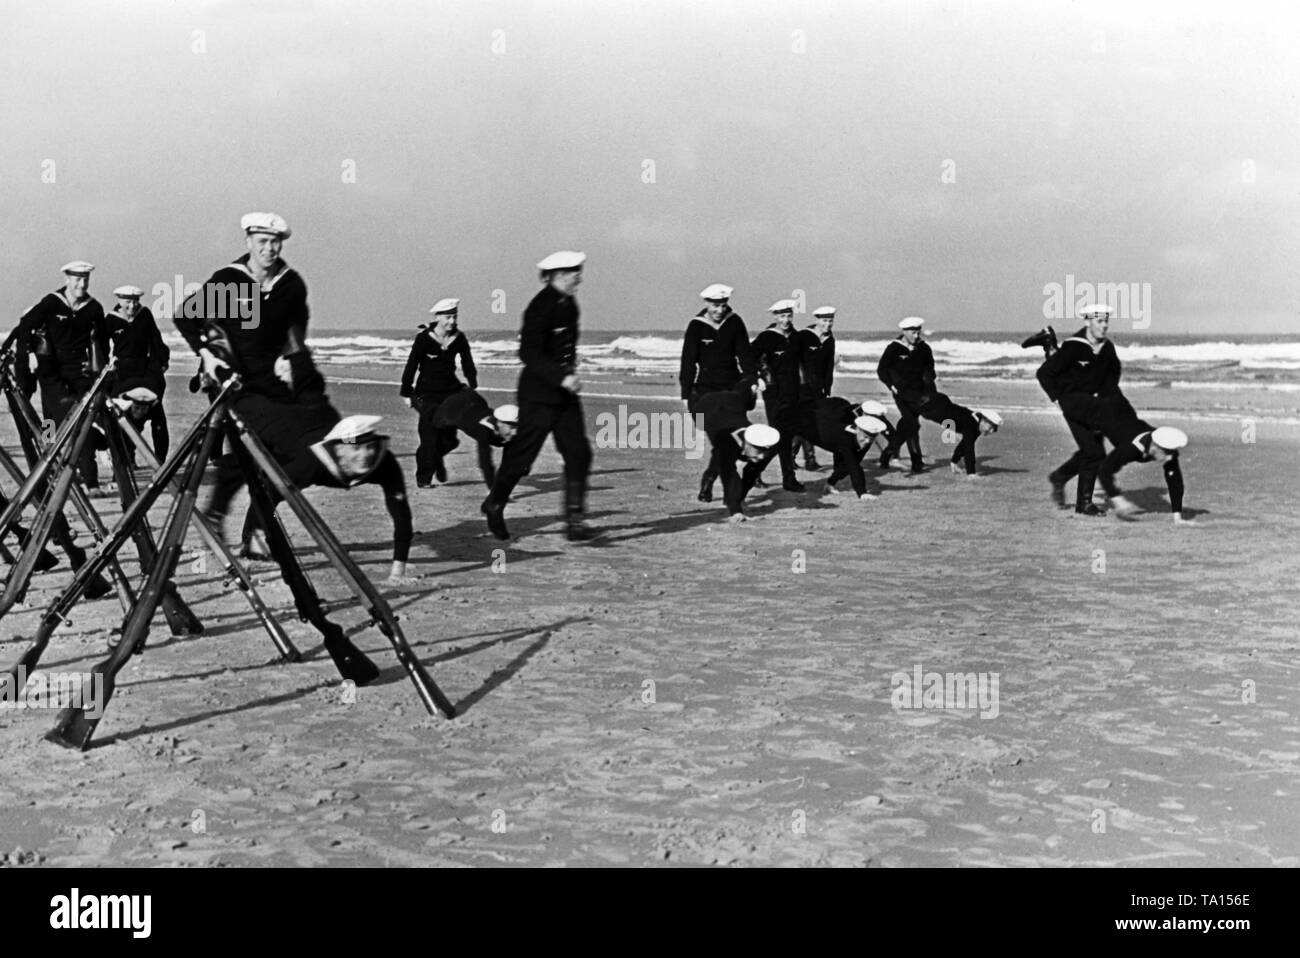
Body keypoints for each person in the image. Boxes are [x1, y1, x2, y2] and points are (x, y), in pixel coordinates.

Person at [203, 347, 418, 584]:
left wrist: (398, 571)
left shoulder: (384, 462)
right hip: (278, 428)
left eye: (369, 447)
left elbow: (402, 516)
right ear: (340, 450)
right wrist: (254, 546)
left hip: (312, 417)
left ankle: (273, 363)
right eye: (356, 449)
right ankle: (215, 364)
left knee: (296, 388)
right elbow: (265, 493)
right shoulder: (313, 463)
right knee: (243, 402)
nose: (365, 456)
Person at [174, 211, 311, 553]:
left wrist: (291, 362)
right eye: (262, 242)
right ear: (248, 241)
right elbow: (186, 316)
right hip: (231, 382)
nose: (269, 249)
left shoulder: (289, 284)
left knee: (274, 455)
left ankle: (242, 525)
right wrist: (207, 354)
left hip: (270, 380)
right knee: (256, 448)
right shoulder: (230, 279)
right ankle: (239, 523)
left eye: (275, 242)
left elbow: (294, 333)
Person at [481, 251, 593, 542]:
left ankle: (574, 520)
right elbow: (528, 353)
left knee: (579, 454)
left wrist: (570, 369)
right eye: (573, 273)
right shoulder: (539, 307)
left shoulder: (569, 304)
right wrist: (562, 376)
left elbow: (564, 346)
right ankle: (495, 503)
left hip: (564, 397)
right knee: (521, 459)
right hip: (539, 396)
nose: (578, 277)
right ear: (557, 276)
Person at [13, 261, 109, 491]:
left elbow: (103, 344)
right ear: (67, 279)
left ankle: (88, 477)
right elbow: (25, 326)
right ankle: (54, 466)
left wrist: (104, 373)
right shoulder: (52, 302)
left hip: (78, 371)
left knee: (80, 420)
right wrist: (28, 357)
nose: (82, 284)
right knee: (50, 422)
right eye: (77, 279)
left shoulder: (94, 308)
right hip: (50, 371)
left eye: (85, 279)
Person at [1036, 304, 1125, 516]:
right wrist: (1058, 399)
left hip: (1095, 407)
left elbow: (1112, 377)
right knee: (1094, 453)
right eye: (1098, 321)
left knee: (1093, 452)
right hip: (1073, 404)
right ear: (1087, 322)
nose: (1103, 326)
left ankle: (1059, 477)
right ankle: (1083, 504)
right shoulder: (1074, 346)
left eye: (1105, 321)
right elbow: (1044, 373)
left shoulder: (1107, 348)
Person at [680, 284, 758, 501]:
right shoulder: (696, 326)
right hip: (705, 393)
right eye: (715, 305)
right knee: (722, 439)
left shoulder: (735, 322)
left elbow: (744, 354)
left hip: (732, 390)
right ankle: (712, 480)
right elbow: (688, 361)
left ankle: (711, 480)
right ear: (706, 304)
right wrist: (686, 394)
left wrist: (752, 380)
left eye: (723, 305)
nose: (719, 310)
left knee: (730, 439)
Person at [399, 298, 479, 487]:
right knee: (429, 436)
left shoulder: (459, 338)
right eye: (448, 317)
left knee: (450, 440)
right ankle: (424, 478)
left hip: (450, 391)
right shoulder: (424, 338)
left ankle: (434, 458)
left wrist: (472, 384)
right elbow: (412, 365)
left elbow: (468, 362)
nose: (452, 321)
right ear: (438, 317)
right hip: (426, 393)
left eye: (455, 317)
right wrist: (406, 392)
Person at [1086, 398, 1191, 522]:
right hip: (1096, 415)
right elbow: (1103, 471)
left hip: (1125, 413)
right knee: (1092, 457)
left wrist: (1177, 516)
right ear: (1154, 448)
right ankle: (1061, 480)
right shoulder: (1130, 449)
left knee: (1102, 469)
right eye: (1166, 453)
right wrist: (1118, 499)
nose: (1169, 457)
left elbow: (1175, 481)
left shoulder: (1165, 445)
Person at [695, 381, 780, 521]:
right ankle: (708, 480)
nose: (761, 456)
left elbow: (752, 472)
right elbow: (729, 476)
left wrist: (740, 496)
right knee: (723, 455)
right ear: (747, 444)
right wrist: (736, 510)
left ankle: (713, 483)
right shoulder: (727, 442)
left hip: (734, 402)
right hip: (703, 408)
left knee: (725, 455)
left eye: (763, 451)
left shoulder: (762, 444)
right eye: (758, 451)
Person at [105, 285, 170, 463]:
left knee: (153, 415)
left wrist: (162, 364)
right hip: (122, 373)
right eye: (128, 302)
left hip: (144, 371)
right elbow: (100, 346)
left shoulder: (144, 315)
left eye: (135, 301)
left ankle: (160, 462)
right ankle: (48, 446)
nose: (132, 306)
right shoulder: (111, 319)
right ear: (119, 300)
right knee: (49, 419)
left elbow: (156, 340)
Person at [749, 299, 804, 492]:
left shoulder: (797, 337)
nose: (786, 320)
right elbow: (748, 358)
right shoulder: (767, 337)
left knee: (786, 436)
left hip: (793, 393)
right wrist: (758, 379)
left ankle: (782, 477)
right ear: (775, 316)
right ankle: (759, 472)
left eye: (789, 315)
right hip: (774, 394)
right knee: (779, 436)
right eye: (782, 316)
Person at [794, 395, 887, 500]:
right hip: (807, 424)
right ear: (858, 429)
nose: (866, 441)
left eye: (870, 439)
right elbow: (854, 466)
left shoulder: (864, 434)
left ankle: (830, 484)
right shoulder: (846, 434)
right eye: (865, 438)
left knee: (847, 464)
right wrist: (862, 492)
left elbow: (852, 464)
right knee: (776, 446)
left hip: (831, 432)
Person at [876, 316, 934, 475]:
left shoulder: (924, 348)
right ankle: (917, 462)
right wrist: (891, 385)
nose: (917, 336)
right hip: (901, 393)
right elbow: (881, 370)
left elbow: (930, 371)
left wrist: (931, 391)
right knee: (912, 424)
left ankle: (887, 453)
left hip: (920, 394)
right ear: (904, 331)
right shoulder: (894, 348)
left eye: (918, 332)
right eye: (913, 333)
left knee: (908, 424)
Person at [431, 390, 517, 488]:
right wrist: (494, 491)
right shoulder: (483, 430)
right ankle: (437, 462)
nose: (515, 432)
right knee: (448, 443)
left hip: (473, 401)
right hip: (452, 408)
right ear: (500, 423)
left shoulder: (508, 430)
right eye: (511, 428)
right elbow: (485, 462)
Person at [792, 306, 837, 470]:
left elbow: (829, 365)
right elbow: (793, 360)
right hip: (802, 387)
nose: (828, 324)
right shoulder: (803, 336)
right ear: (817, 320)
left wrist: (827, 387)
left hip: (818, 388)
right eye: (824, 321)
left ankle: (793, 456)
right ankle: (809, 460)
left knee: (807, 422)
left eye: (830, 321)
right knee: (807, 421)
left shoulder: (830, 339)